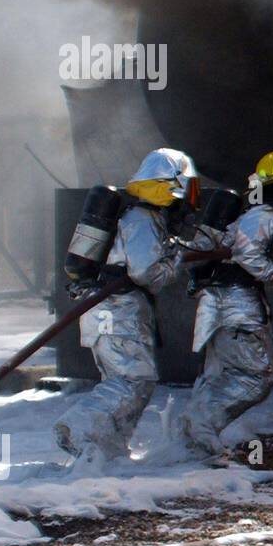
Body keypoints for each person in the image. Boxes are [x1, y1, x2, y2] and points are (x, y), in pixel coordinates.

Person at [54, 148, 198, 461]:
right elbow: (146, 271)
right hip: (117, 309)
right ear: (170, 186)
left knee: (130, 383)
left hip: (110, 308)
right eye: (186, 189)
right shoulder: (142, 219)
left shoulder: (141, 217)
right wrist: (176, 262)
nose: (188, 199)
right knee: (133, 381)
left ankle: (107, 452)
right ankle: (76, 429)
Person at [179, 148, 273, 456]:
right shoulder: (265, 215)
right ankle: (201, 428)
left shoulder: (270, 217)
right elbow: (247, 255)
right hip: (235, 302)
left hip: (222, 301)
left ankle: (192, 442)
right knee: (258, 374)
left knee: (219, 375)